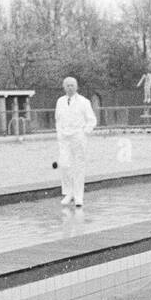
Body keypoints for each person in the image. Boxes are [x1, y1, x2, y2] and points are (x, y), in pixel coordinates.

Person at [55, 76, 96, 208]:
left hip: (78, 137)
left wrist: (84, 132)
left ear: (77, 87)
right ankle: (69, 192)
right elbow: (58, 119)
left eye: (72, 85)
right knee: (64, 165)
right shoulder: (60, 101)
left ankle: (78, 197)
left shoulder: (84, 101)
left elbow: (91, 120)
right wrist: (59, 134)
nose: (70, 87)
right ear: (64, 87)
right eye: (67, 85)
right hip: (64, 138)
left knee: (78, 167)